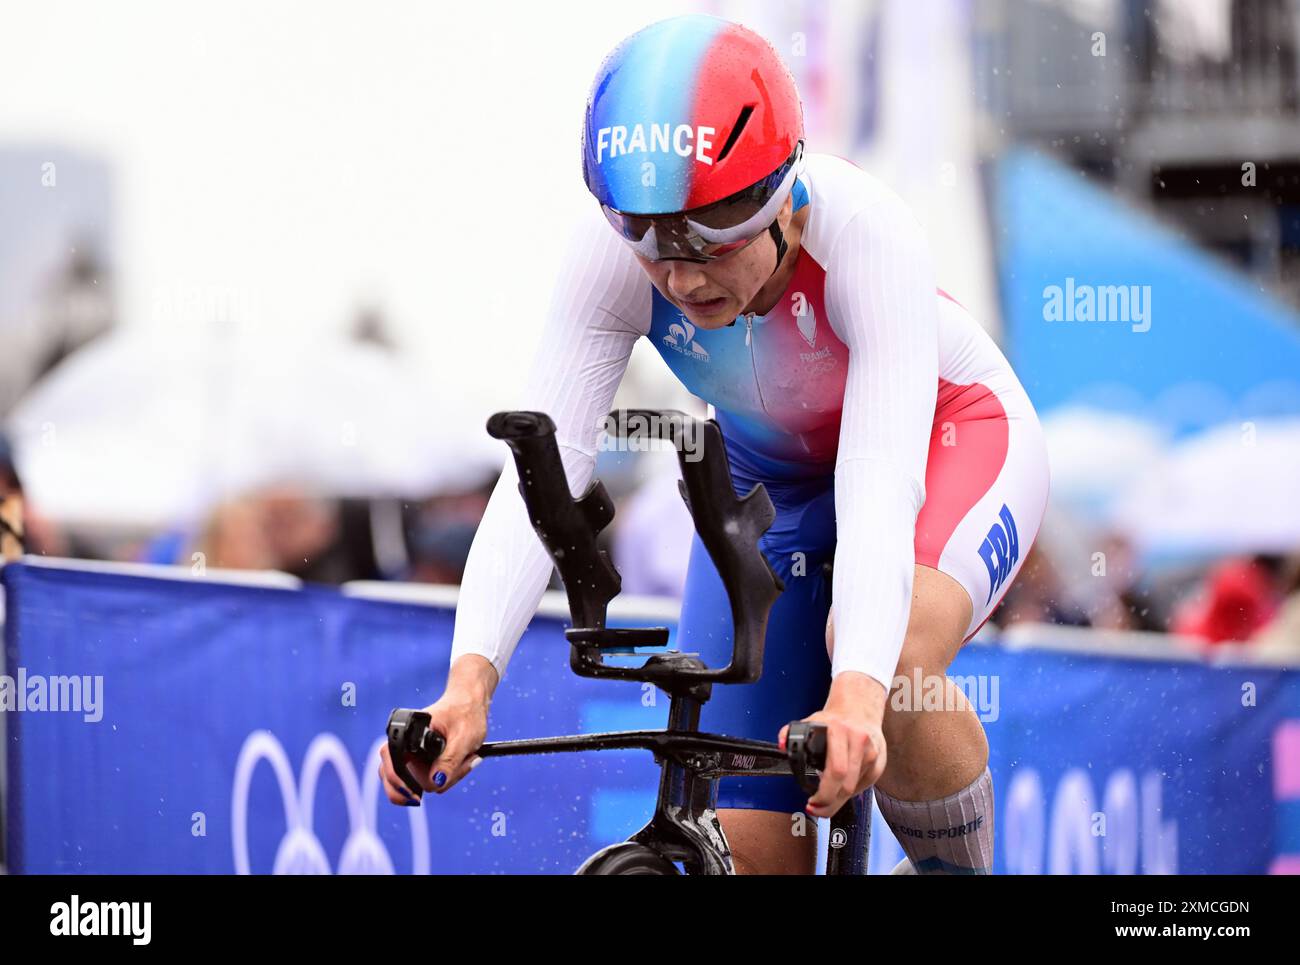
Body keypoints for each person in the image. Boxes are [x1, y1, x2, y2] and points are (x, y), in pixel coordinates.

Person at [379, 13, 1050, 875]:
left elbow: (880, 486)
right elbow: (543, 474)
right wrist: (468, 683)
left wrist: (856, 694)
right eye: (650, 239)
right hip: (774, 483)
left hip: (949, 438)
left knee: (891, 664)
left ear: (780, 205)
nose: (681, 273)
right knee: (762, 850)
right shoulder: (609, 252)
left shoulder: (867, 234)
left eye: (708, 237)